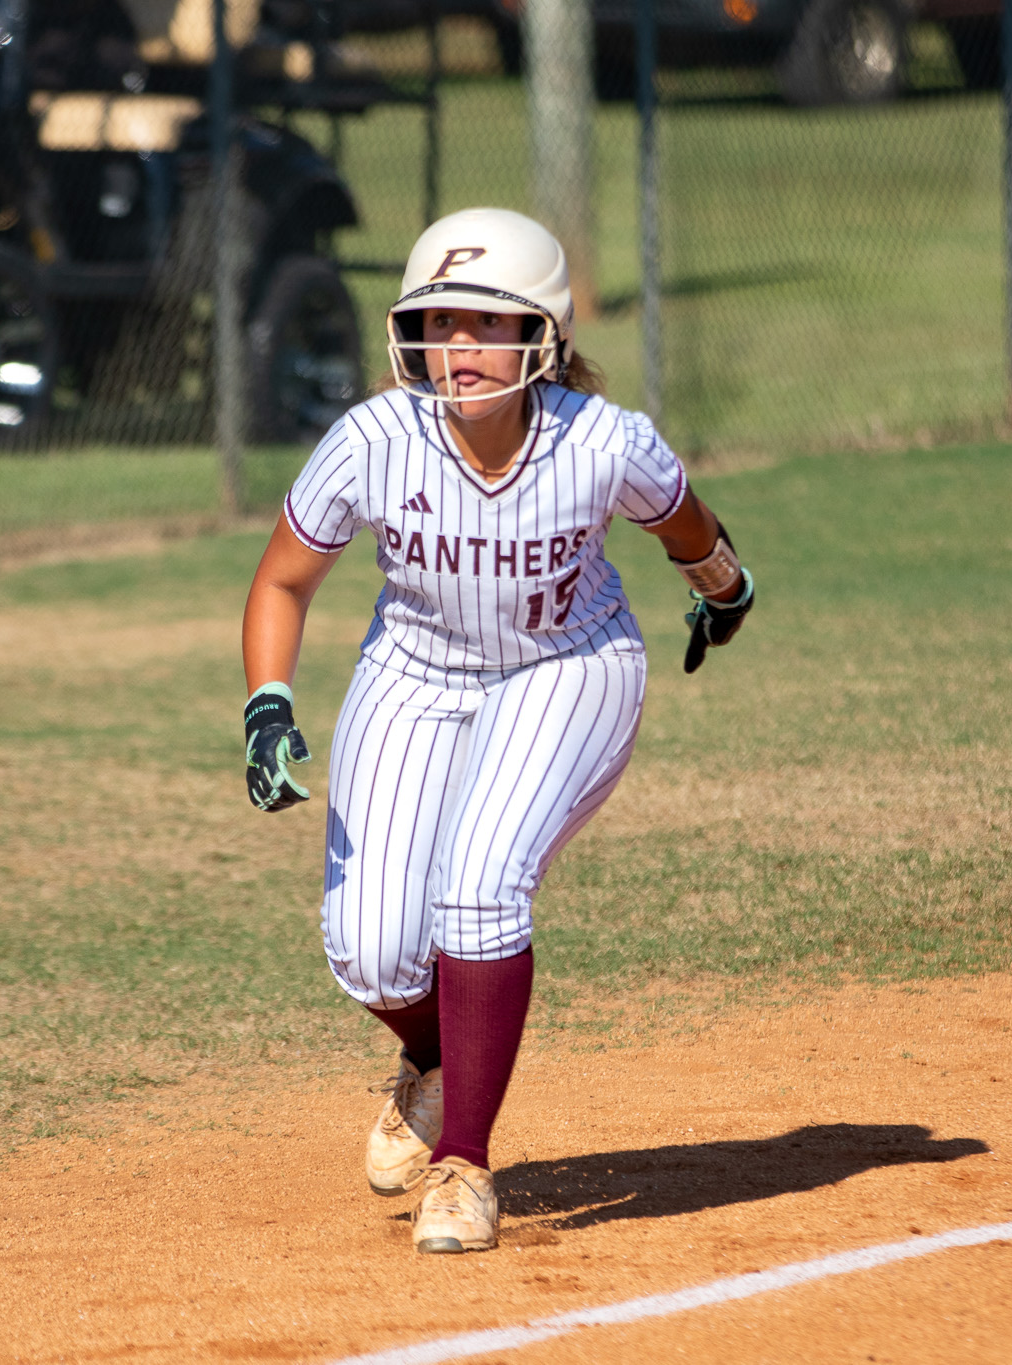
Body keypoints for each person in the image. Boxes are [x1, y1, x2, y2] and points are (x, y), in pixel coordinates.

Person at [239, 208, 755, 1254]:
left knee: (476, 889)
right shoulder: (375, 439)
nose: (455, 349)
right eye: (437, 324)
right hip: (417, 672)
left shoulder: (602, 441)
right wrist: (267, 702)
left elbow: (682, 520)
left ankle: (463, 1167)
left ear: (544, 337)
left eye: (484, 325)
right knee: (374, 952)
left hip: (567, 668)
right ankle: (433, 1059)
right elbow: (283, 581)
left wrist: (722, 581)